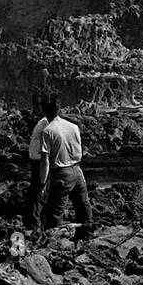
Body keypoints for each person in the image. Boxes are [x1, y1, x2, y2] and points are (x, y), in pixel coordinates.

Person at [31, 94, 91, 231]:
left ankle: (53, 240)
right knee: (83, 207)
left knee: (54, 214)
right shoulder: (74, 127)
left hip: (61, 173)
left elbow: (45, 161)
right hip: (77, 170)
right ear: (59, 109)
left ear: (43, 110)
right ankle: (89, 233)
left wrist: (42, 185)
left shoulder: (47, 131)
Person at [24, 95, 48, 227]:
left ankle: (36, 221)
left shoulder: (46, 123)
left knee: (38, 192)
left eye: (37, 105)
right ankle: (35, 220)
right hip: (37, 161)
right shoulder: (42, 122)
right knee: (36, 191)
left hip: (41, 162)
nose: (34, 108)